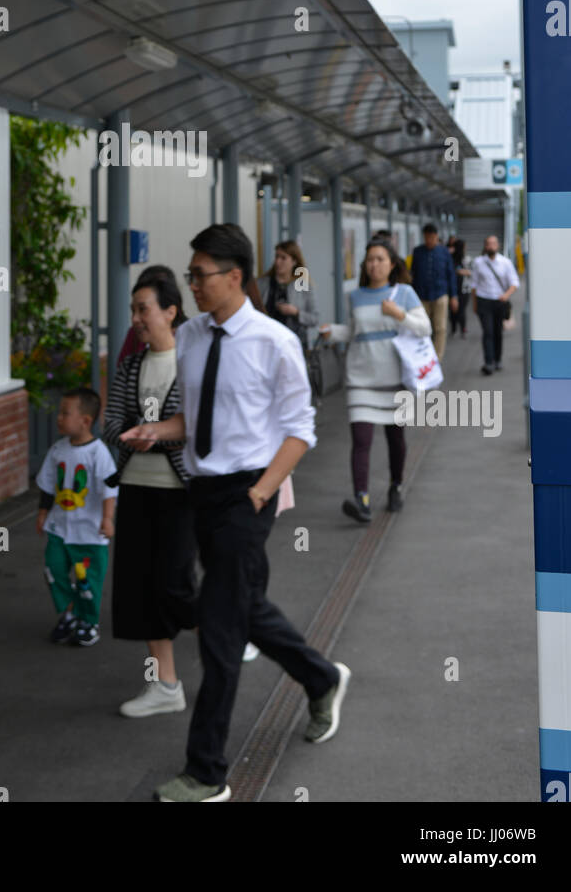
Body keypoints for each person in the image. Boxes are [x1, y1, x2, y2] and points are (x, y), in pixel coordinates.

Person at [122, 223, 349, 803]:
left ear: (235, 278)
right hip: (200, 489)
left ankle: (207, 773)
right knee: (242, 607)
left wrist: (260, 493)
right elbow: (195, 422)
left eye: (201, 275)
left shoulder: (275, 341)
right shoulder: (193, 337)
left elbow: (301, 431)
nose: (192, 284)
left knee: (220, 631)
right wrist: (157, 431)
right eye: (191, 273)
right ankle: (321, 676)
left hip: (249, 494)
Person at [101, 267, 197, 717]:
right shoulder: (130, 365)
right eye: (134, 310)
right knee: (139, 588)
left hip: (181, 490)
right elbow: (111, 425)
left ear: (171, 311)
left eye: (144, 309)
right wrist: (130, 437)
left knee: (176, 587)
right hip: (136, 487)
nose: (136, 318)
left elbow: (200, 428)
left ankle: (237, 629)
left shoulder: (192, 361)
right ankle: (166, 683)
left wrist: (159, 436)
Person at [321, 237, 432, 524]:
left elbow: (425, 328)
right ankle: (362, 499)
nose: (374, 264)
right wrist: (332, 331)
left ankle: (396, 485)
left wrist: (399, 314)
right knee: (361, 440)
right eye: (370, 259)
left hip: (394, 378)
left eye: (380, 259)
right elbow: (354, 332)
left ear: (392, 264)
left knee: (395, 439)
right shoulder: (355, 296)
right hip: (360, 377)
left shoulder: (404, 293)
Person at [35, 387, 117, 647]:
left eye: (64, 413)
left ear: (85, 421)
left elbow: (109, 488)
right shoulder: (57, 450)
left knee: (86, 580)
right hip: (59, 529)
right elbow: (48, 485)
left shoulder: (98, 453)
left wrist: (107, 518)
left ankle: (88, 622)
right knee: (53, 569)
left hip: (88, 535)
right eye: (60, 413)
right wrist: (43, 513)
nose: (59, 418)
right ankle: (69, 612)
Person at [256, 240, 320, 354]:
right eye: (276, 257)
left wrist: (296, 312)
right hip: (266, 343)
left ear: (294, 261)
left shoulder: (303, 286)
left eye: (283, 258)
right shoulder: (262, 284)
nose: (277, 262)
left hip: (294, 345)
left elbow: (315, 319)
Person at [470, 235, 520, 375]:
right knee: (488, 332)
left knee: (498, 332)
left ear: (498, 246)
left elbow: (515, 282)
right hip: (483, 300)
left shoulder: (505, 262)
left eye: (493, 243)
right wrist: (474, 304)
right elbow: (474, 284)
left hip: (499, 301)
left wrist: (506, 295)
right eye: (488, 244)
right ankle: (489, 362)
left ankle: (498, 359)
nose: (491, 246)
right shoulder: (478, 262)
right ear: (485, 246)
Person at [409, 223, 457, 359]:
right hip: (422, 295)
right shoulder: (418, 251)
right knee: (422, 327)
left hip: (440, 294)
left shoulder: (444, 252)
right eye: (426, 237)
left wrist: (454, 296)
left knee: (440, 328)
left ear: (436, 237)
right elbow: (413, 273)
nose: (429, 240)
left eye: (431, 237)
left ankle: (437, 357)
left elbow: (451, 274)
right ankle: (423, 354)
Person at [449, 238, 471, 338]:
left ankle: (462, 329)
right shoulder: (450, 258)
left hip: (464, 288)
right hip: (453, 288)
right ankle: (454, 329)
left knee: (461, 310)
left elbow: (472, 272)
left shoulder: (467, 259)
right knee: (453, 310)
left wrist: (461, 271)